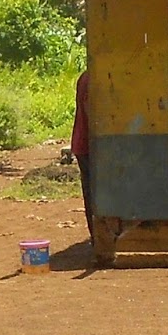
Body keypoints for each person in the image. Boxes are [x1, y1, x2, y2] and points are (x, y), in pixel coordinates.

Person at [71, 69, 93, 242]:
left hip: (83, 143)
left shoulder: (85, 77)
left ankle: (97, 238)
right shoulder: (93, 79)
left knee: (91, 193)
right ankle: (98, 239)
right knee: (94, 194)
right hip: (88, 145)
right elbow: (90, 111)